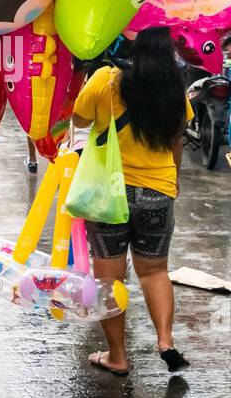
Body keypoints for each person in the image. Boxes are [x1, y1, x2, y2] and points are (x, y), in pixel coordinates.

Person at [71, 26, 188, 377]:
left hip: (109, 193)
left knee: (111, 280)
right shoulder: (174, 91)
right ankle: (165, 340)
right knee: (154, 271)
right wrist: (173, 183)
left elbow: (78, 120)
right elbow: (177, 141)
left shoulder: (106, 80)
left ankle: (118, 356)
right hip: (158, 190)